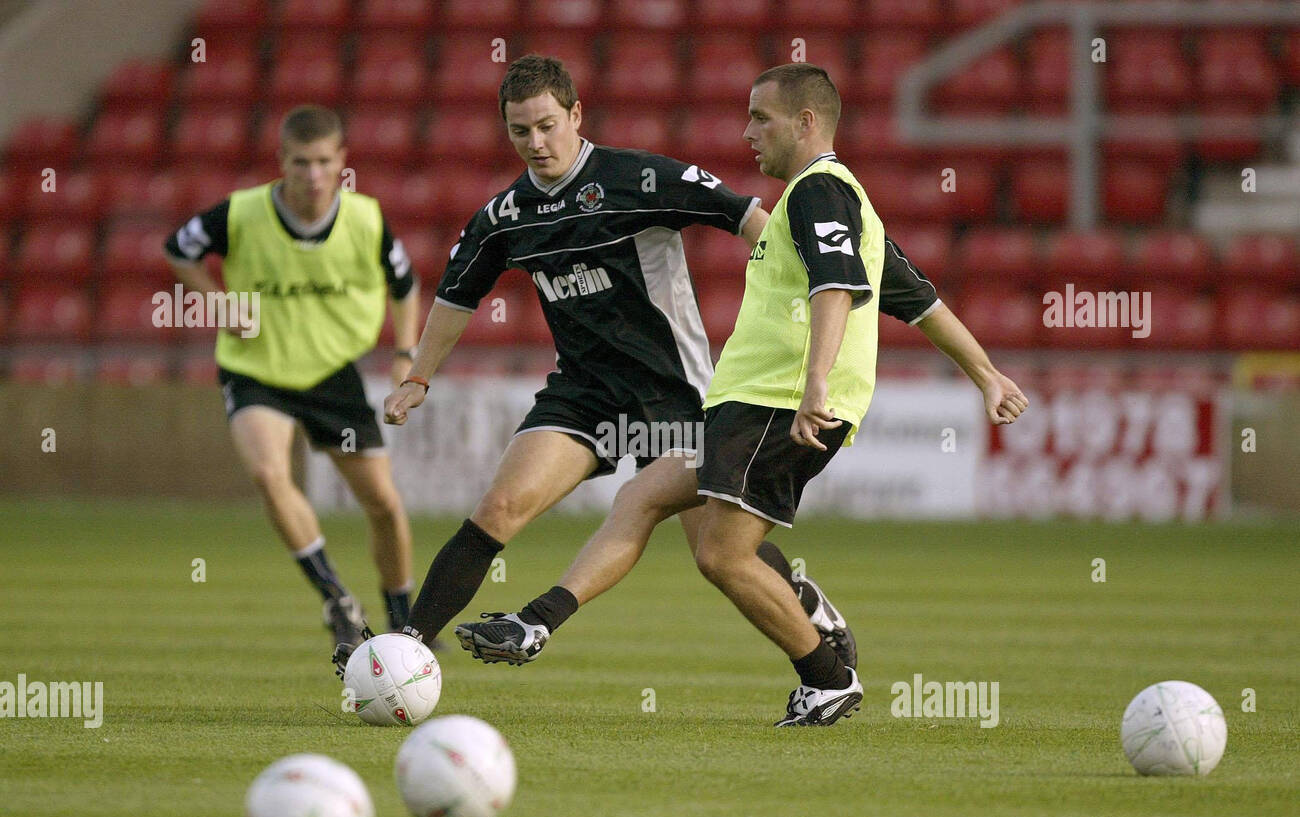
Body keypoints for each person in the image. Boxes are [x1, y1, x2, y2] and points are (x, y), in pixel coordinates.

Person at [456, 65, 1029, 728]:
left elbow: (834, 290)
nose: (747, 131)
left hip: (782, 403)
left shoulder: (821, 192)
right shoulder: (828, 203)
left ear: (805, 123)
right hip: (748, 403)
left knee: (722, 555)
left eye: (762, 118)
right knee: (642, 496)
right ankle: (537, 622)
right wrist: (986, 374)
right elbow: (919, 299)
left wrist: (815, 384)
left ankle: (827, 680)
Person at [379, 54, 860, 674]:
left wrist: (796, 303)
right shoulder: (504, 217)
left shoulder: (641, 179)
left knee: (715, 551)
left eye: (548, 125)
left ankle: (805, 613)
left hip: (674, 396)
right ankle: (403, 648)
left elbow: (746, 216)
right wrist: (418, 377)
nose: (536, 142)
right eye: (520, 131)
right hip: (582, 394)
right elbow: (455, 298)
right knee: (498, 508)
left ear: (576, 114)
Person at [164, 105, 420, 665]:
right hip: (257, 370)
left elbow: (405, 285)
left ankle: (405, 625)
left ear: (342, 161)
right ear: (281, 161)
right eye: (301, 162)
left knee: (382, 503)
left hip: (332, 374)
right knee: (267, 471)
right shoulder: (240, 213)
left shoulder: (367, 219)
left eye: (324, 161)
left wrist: (405, 353)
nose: (312, 175)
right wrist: (214, 301)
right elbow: (177, 249)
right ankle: (337, 600)